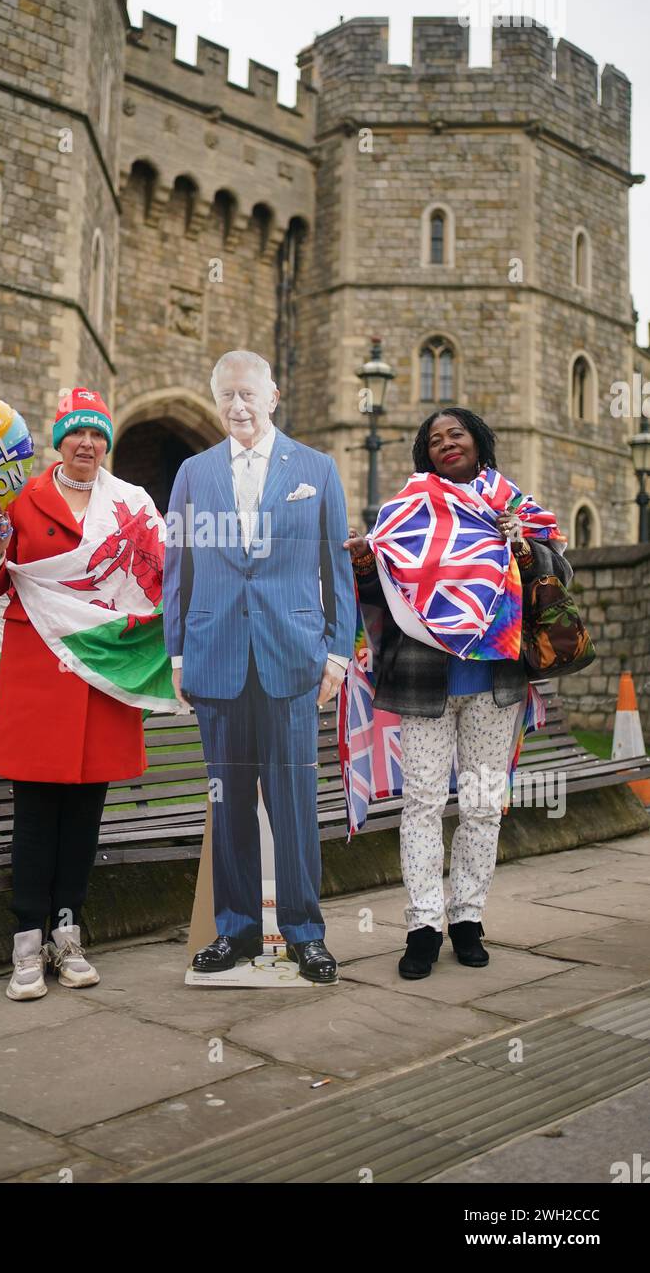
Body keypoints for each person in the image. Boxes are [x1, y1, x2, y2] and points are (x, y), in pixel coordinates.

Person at [345, 408, 572, 980]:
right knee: (421, 804)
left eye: (457, 434)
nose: (447, 444)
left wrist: (521, 550)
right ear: (426, 453)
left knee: (479, 806)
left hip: (496, 681)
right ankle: (423, 926)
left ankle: (468, 919)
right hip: (426, 679)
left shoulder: (512, 505)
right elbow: (385, 590)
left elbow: (557, 574)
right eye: (435, 439)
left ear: (478, 443)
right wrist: (366, 563)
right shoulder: (407, 509)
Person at [0, 389, 168, 1000]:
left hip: (105, 676)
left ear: (107, 443)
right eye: (77, 433)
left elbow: (159, 575)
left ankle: (68, 932)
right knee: (35, 811)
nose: (87, 443)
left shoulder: (132, 504)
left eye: (97, 435)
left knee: (85, 812)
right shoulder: (19, 499)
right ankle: (26, 943)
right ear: (59, 440)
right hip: (42, 668)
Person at [163, 351, 357, 983]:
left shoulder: (317, 469)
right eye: (226, 398)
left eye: (247, 394)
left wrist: (335, 653)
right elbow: (179, 569)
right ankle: (237, 932)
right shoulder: (193, 473)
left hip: (293, 657)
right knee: (229, 804)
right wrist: (178, 653)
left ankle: (306, 934)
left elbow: (338, 569)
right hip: (216, 658)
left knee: (296, 801)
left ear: (273, 395)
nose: (237, 407)